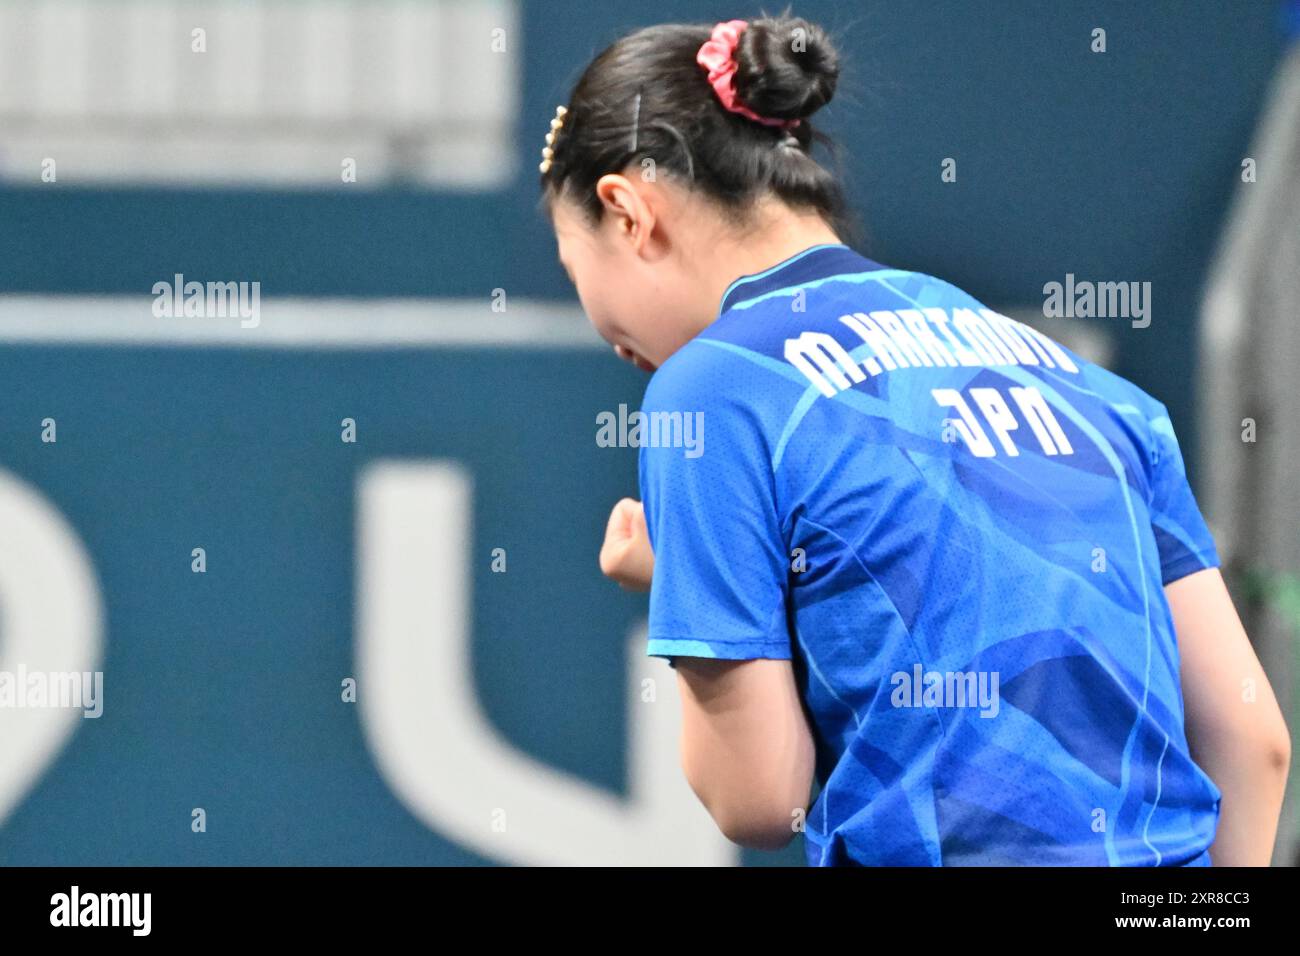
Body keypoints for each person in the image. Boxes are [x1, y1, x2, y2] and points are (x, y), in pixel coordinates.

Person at [538, 15, 1291, 865]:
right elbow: (1255, 741)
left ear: (627, 213)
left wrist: (689, 591)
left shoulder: (711, 391)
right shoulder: (1095, 390)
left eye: (575, 269)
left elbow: (756, 799)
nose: (605, 333)